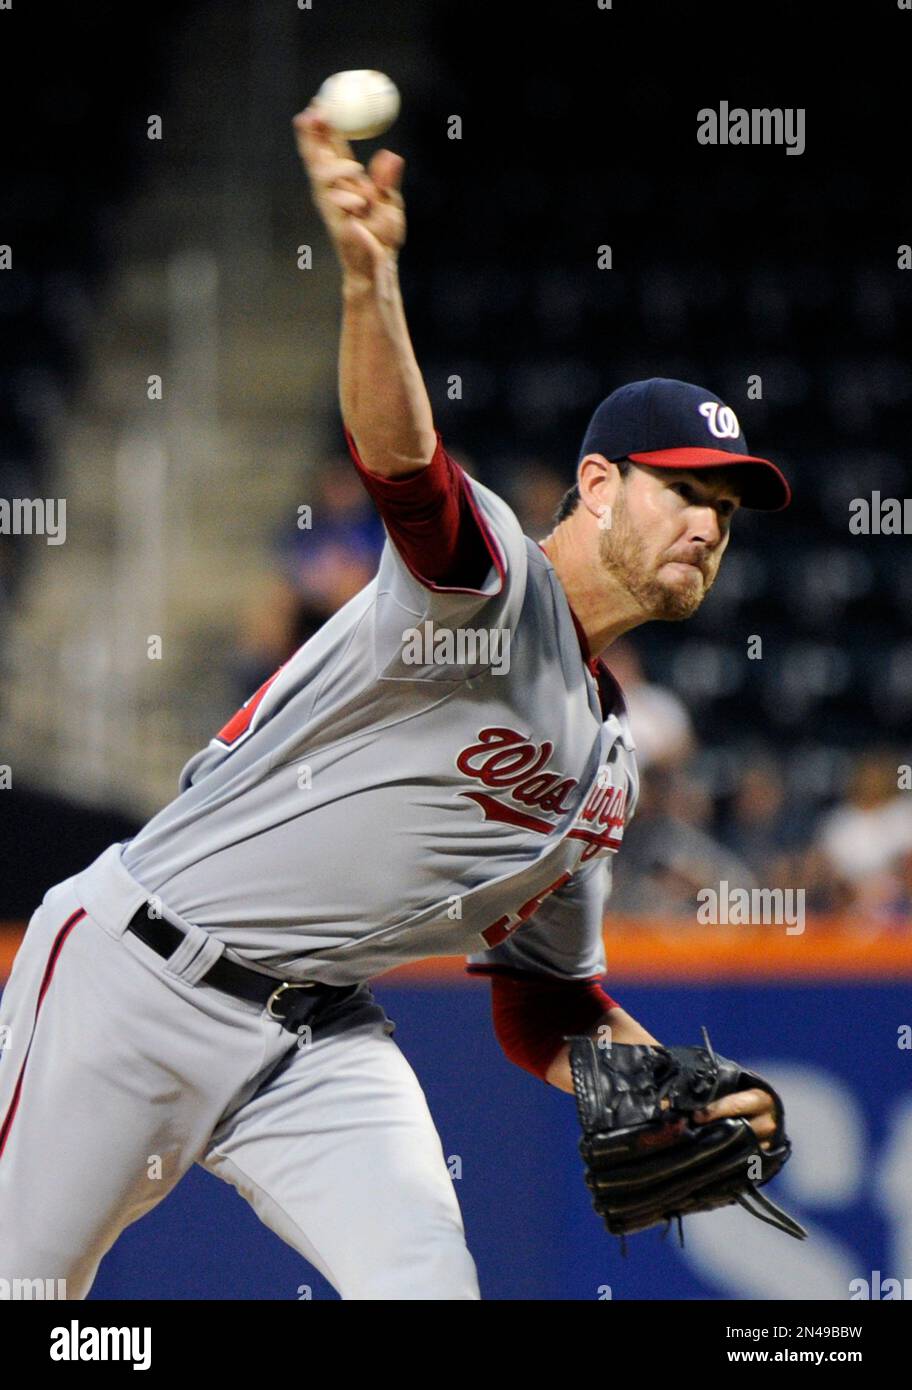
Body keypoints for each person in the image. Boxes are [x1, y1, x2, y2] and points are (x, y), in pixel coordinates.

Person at [0, 102, 791, 1301]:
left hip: (315, 1037)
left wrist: (667, 1077)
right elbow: (406, 468)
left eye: (725, 512)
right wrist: (369, 281)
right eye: (684, 489)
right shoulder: (486, 589)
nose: (706, 525)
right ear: (595, 483)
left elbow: (543, 1001)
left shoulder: (608, 772)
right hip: (135, 975)